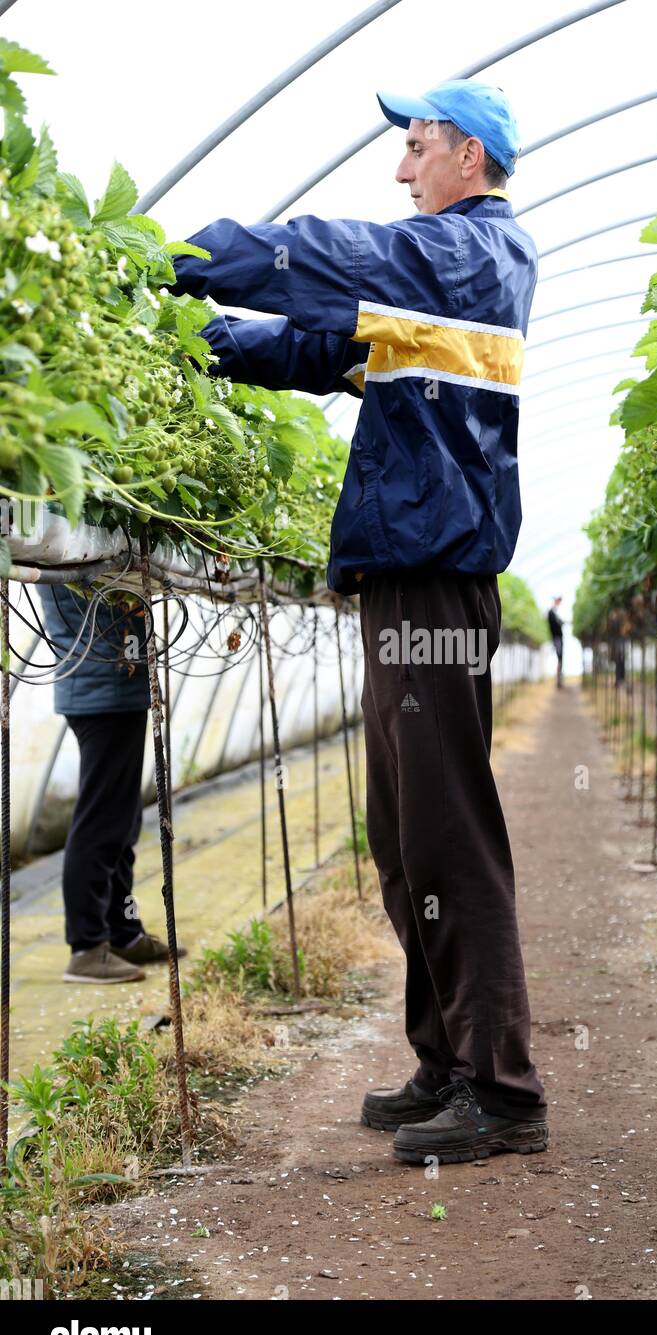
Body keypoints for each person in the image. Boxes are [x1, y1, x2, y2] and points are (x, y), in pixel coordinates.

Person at [166, 77, 548, 1164]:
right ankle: (446, 1055)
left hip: (434, 581)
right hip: (404, 576)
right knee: (403, 835)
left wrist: (177, 256)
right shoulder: (435, 288)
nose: (399, 167)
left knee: (446, 831)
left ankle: (503, 1088)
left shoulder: (470, 256)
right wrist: (200, 339)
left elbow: (327, 259)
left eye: (415, 147)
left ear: (466, 156)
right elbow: (316, 349)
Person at [40, 584, 186, 983]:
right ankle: (86, 947)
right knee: (102, 824)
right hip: (101, 692)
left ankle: (124, 931)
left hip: (116, 689)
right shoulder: (70, 537)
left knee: (121, 824)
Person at [548, 595, 565, 688]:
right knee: (559, 658)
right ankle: (558, 681)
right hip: (557, 638)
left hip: (558, 638)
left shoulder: (554, 613)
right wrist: (560, 623)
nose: (559, 603)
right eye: (558, 601)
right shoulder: (551, 613)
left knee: (560, 658)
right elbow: (554, 627)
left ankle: (559, 681)